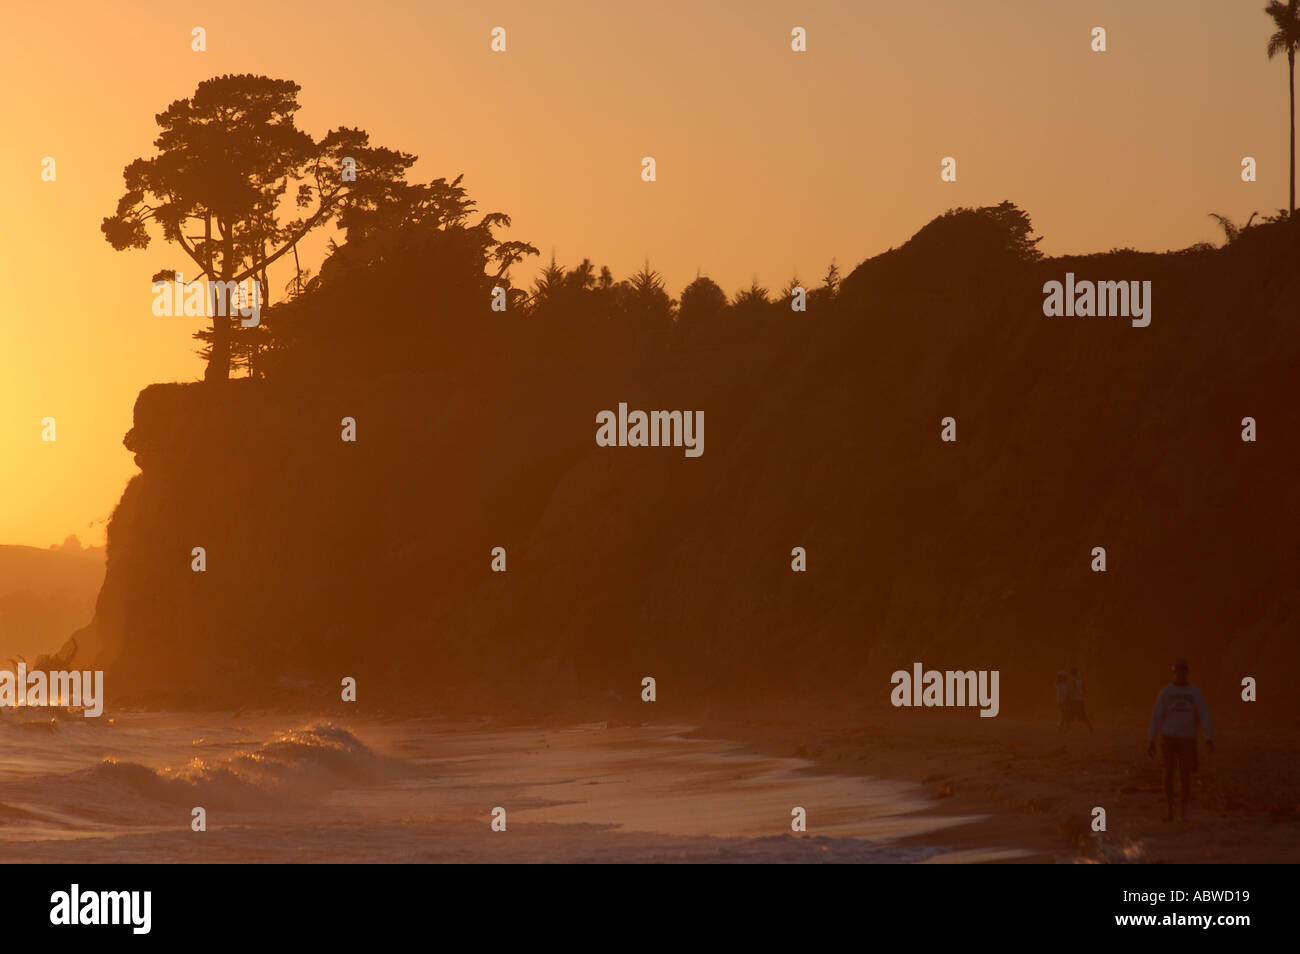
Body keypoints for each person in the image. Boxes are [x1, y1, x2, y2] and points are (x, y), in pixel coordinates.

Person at [1147, 658, 1214, 822]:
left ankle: (1183, 813)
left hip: (1187, 737)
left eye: (1183, 671)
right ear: (1174, 672)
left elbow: (1203, 714)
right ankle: (1170, 811)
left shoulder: (1195, 693)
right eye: (1177, 671)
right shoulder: (1166, 692)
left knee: (1185, 775)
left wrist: (1209, 736)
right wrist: (1151, 739)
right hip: (1169, 736)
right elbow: (1157, 716)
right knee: (1168, 774)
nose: (1180, 674)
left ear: (1186, 672)